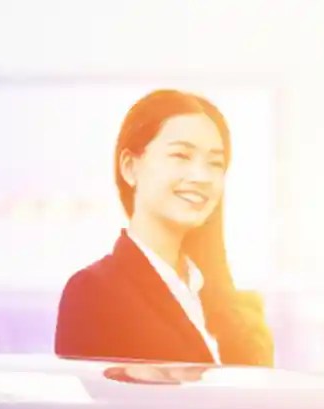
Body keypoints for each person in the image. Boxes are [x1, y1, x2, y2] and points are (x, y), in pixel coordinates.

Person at [55, 89, 273, 366]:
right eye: (181, 155)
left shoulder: (238, 307)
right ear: (129, 167)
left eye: (215, 163)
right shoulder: (94, 293)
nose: (201, 176)